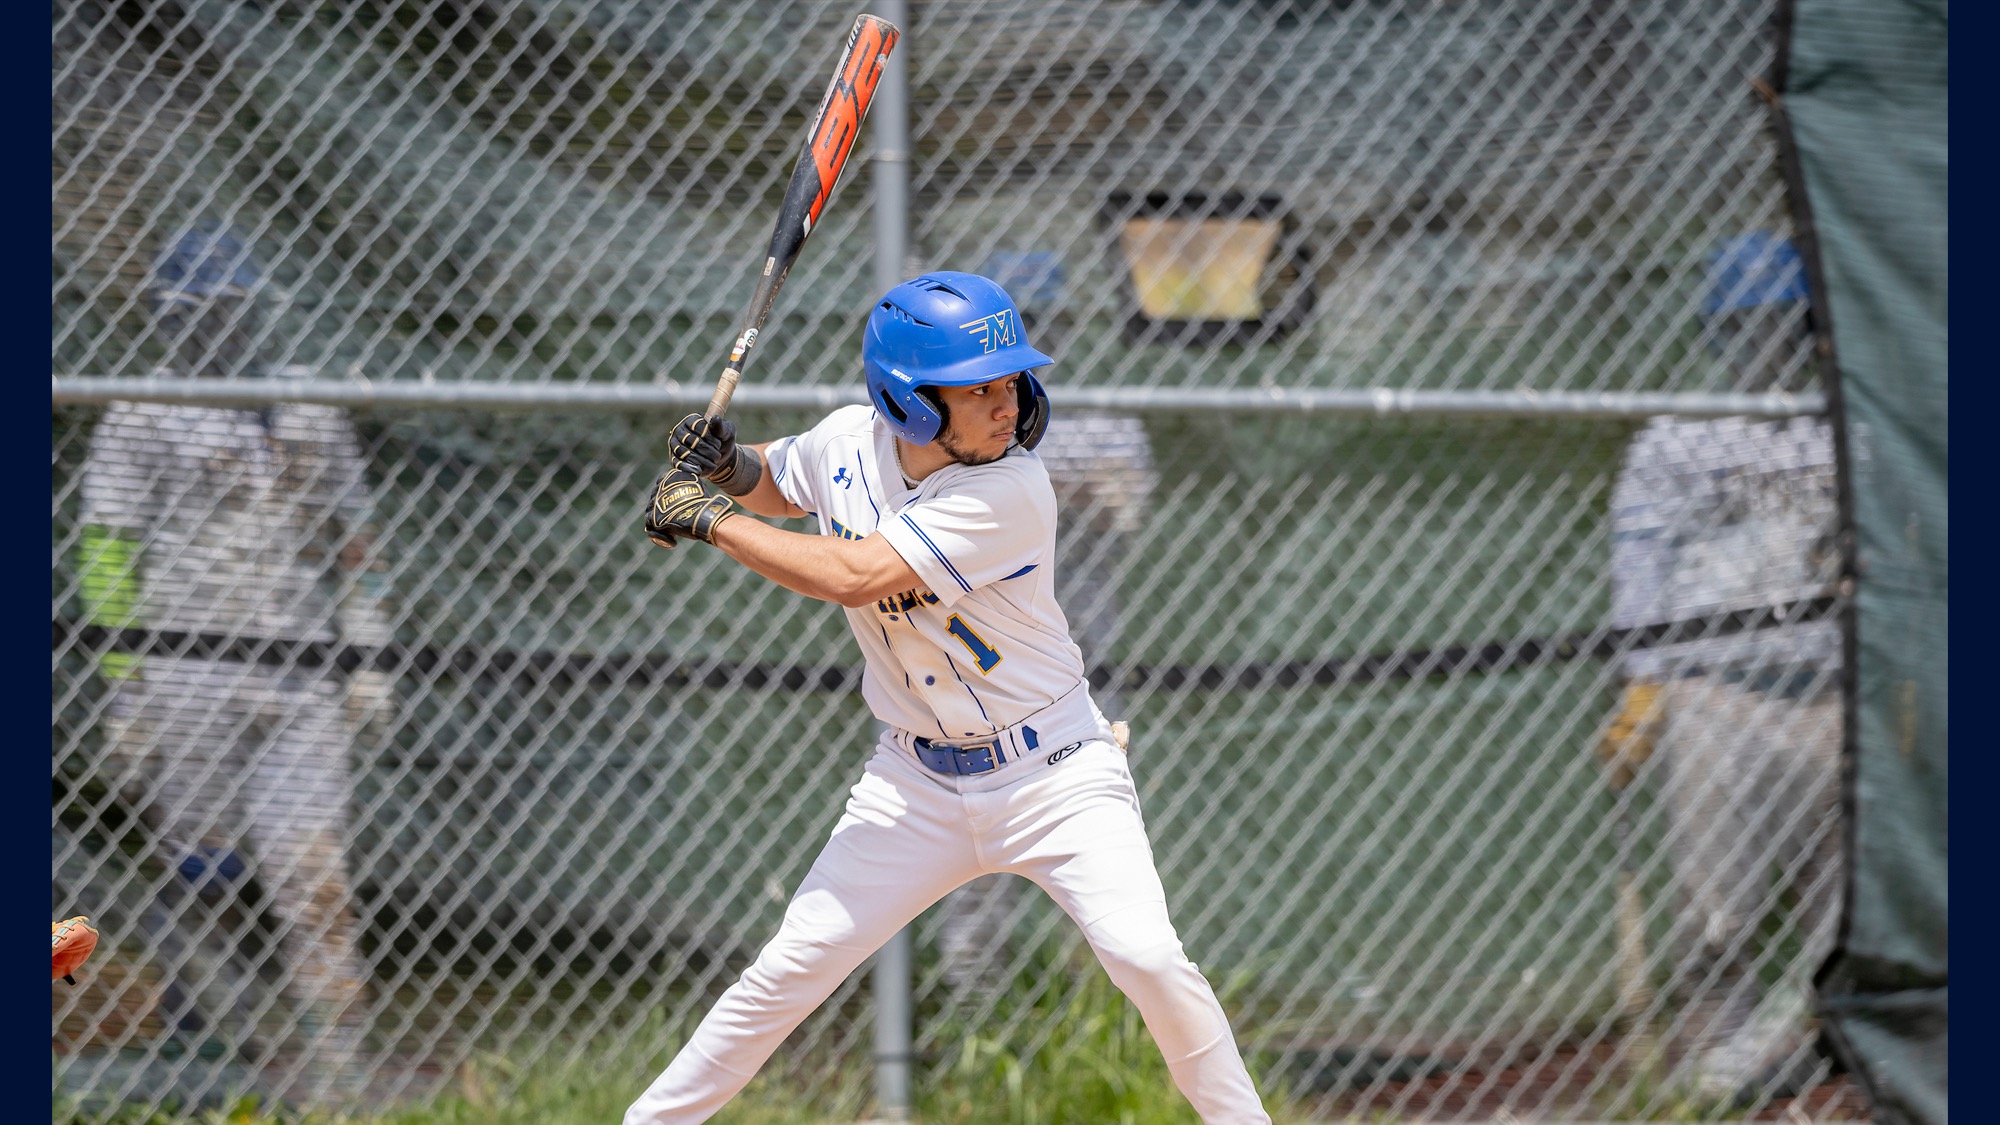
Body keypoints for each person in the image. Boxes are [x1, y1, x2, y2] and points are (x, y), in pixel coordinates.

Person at [627, 272, 1269, 1124]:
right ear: (911, 404)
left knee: (1149, 957)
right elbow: (787, 479)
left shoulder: (1008, 489)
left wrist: (712, 518)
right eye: (979, 390)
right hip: (914, 785)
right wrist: (730, 467)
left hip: (1054, 771)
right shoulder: (850, 442)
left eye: (1011, 382)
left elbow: (854, 575)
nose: (1008, 405)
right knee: (789, 966)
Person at [74, 226, 389, 1100]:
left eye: (235, 309)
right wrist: (126, 680)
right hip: (188, 664)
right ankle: (202, 1059)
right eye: (204, 313)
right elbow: (108, 550)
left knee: (312, 871)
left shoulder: (305, 407)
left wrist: (365, 646)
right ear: (172, 322)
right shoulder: (143, 409)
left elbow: (353, 539)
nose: (222, 326)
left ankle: (338, 1073)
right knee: (202, 869)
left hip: (297, 664)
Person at [1596, 232, 1843, 1101]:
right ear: (1719, 330)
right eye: (1747, 323)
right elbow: (1642, 565)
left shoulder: (1847, 422)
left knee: (1842, 911)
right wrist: (1645, 681)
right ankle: (1713, 1077)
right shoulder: (1682, 433)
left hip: (1835, 698)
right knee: (1715, 912)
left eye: (1785, 321)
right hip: (1716, 695)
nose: (1767, 341)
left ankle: (1823, 1067)